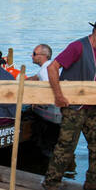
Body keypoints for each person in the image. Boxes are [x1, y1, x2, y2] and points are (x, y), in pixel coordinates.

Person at [41, 14, 96, 190]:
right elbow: (52, 68)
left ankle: (94, 182)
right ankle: (51, 182)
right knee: (67, 145)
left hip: (94, 106)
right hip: (73, 106)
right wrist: (58, 96)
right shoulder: (77, 47)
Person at [28, 43, 74, 177]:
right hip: (62, 111)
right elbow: (37, 78)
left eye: (34, 54)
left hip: (54, 112)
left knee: (49, 145)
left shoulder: (45, 70)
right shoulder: (48, 67)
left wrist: (36, 101)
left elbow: (52, 87)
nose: (32, 55)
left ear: (43, 56)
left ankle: (50, 172)